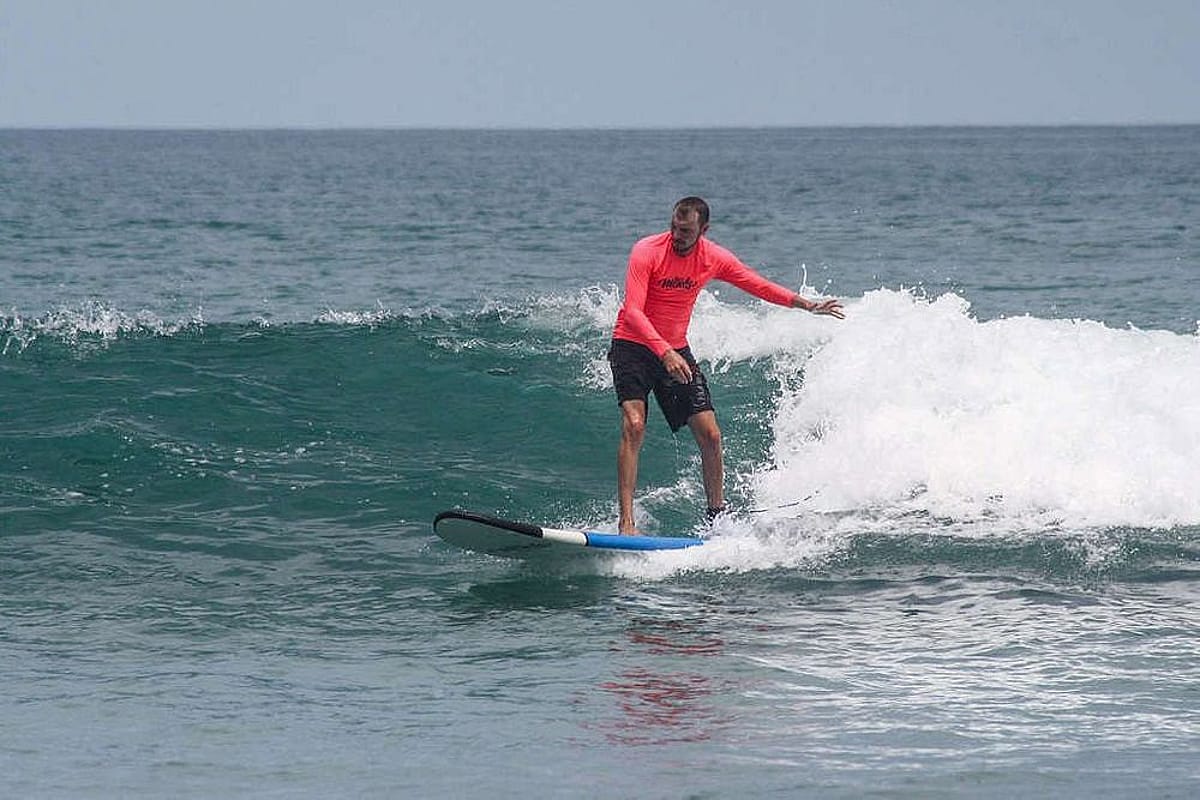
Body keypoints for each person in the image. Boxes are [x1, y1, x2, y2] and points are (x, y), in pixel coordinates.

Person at [608, 196, 844, 534]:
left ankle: (716, 518)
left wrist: (806, 305)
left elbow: (756, 283)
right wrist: (663, 352)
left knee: (712, 436)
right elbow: (633, 310)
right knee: (634, 424)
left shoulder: (713, 258)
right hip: (633, 345)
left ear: (703, 230)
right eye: (674, 226)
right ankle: (626, 522)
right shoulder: (647, 251)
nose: (676, 235)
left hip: (674, 347)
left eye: (685, 231)